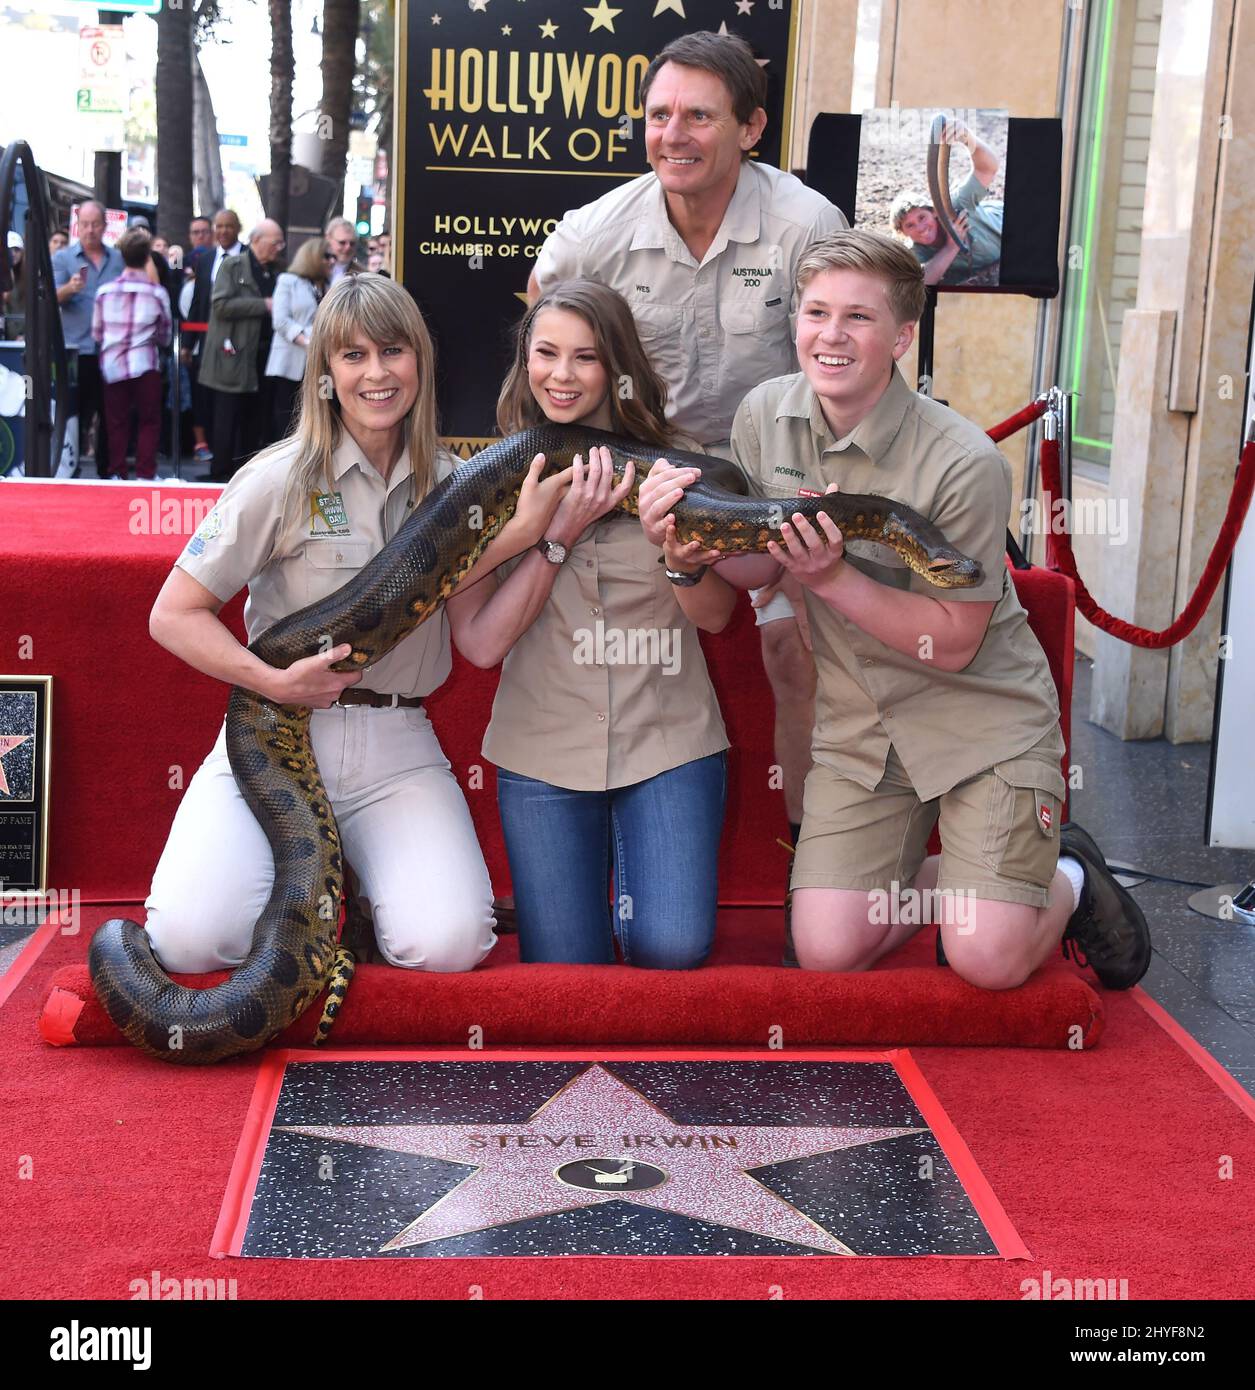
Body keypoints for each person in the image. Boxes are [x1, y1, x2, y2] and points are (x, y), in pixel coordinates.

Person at [655, 229, 1151, 991]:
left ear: (902, 336)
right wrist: (685, 547)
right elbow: (756, 563)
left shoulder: (963, 463)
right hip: (864, 727)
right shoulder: (764, 414)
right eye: (815, 312)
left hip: (981, 722)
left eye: (858, 317)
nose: (830, 335)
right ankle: (979, 883)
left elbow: (952, 643)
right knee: (826, 951)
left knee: (986, 961)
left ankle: (1064, 874)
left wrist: (828, 580)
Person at [143, 273, 574, 976]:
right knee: (190, 942)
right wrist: (271, 681)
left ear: (420, 363)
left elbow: (480, 641)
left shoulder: (458, 480)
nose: (376, 373)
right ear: (324, 373)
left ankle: (366, 894)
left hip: (394, 739)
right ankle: (321, 881)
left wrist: (546, 541)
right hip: (272, 737)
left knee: (450, 945)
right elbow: (172, 615)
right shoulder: (277, 478)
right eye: (353, 356)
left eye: (393, 351)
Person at [528, 28, 848, 876]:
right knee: (602, 640)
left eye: (698, 116)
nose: (672, 134)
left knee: (795, 652)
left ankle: (809, 867)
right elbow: (544, 311)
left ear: (749, 128)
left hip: (772, 479)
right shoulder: (599, 231)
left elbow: (846, 351)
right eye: (659, 114)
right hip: (646, 483)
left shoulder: (805, 225)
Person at [445, 280, 734, 967]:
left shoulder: (678, 466)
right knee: (563, 970)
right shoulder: (486, 482)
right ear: (525, 360)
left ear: (617, 367)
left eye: (586, 357)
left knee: (673, 948)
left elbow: (718, 617)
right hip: (541, 748)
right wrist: (547, 536)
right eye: (546, 353)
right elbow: (480, 645)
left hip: (669, 741)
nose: (562, 375)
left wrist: (681, 560)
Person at [197, 218, 285, 480]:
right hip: (232, 357)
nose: (279, 247)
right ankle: (220, 473)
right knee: (226, 417)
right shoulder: (233, 266)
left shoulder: (278, 270)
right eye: (275, 242)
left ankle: (245, 477)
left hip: (263, 357)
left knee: (254, 419)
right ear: (256, 240)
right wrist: (263, 305)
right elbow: (220, 305)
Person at [90, 228, 172, 481]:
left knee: (116, 422)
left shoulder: (104, 292)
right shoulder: (157, 293)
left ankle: (117, 471)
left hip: (113, 365)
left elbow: (96, 333)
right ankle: (146, 473)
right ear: (147, 256)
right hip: (145, 363)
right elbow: (165, 334)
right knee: (149, 420)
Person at [52, 200, 123, 477]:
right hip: (76, 350)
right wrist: (70, 288)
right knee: (74, 414)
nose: (90, 230)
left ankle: (108, 470)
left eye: (95, 224)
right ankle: (70, 468)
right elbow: (49, 298)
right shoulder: (62, 258)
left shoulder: (118, 259)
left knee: (110, 413)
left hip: (111, 349)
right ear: (76, 226)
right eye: (85, 224)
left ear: (105, 227)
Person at [890, 119, 1004, 287]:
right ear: (903, 233)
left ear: (934, 212)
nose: (921, 228)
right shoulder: (916, 253)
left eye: (922, 217)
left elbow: (987, 169)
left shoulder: (954, 204)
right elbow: (917, 286)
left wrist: (968, 138)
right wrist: (951, 247)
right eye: (910, 225)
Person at [185, 210, 245, 473]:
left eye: (227, 226)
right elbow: (198, 302)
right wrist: (187, 343)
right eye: (218, 227)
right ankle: (216, 464)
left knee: (232, 408)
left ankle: (229, 465)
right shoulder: (207, 258)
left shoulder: (247, 256)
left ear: (237, 228)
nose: (223, 232)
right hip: (207, 342)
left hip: (239, 344)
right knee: (207, 402)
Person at [265, 236, 329, 440]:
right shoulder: (288, 281)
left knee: (316, 414)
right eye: (326, 256)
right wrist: (308, 342)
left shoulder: (328, 285)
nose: (331, 261)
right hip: (289, 361)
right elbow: (281, 320)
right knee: (285, 417)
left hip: (318, 364)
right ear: (313, 257)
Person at [2, 231, 24, 340]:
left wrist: (24, 336)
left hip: (21, 337)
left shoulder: (28, 277)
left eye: (17, 250)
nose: (13, 253)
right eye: (9, 250)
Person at [325, 217, 361, 284]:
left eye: (352, 243)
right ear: (328, 239)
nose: (348, 247)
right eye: (342, 243)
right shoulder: (312, 270)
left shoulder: (362, 275)